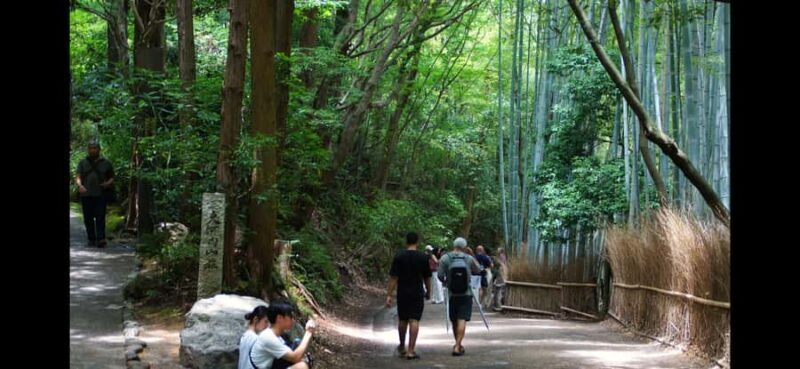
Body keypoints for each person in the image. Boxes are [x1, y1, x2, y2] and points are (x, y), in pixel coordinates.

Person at [386, 232, 431, 359]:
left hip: (403, 291)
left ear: (406, 241)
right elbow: (427, 277)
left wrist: (389, 294)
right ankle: (411, 350)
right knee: (414, 320)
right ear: (417, 242)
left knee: (403, 319)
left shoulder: (399, 256)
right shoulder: (423, 257)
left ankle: (402, 346)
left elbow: (394, 277)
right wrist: (429, 291)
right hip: (417, 292)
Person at [437, 237, 481, 356]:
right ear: (465, 247)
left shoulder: (445, 258)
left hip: (452, 294)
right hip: (466, 293)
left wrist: (447, 282)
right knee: (462, 319)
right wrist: (472, 254)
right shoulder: (468, 258)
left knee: (454, 320)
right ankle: (457, 346)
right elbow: (478, 270)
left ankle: (457, 344)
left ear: (454, 245)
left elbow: (440, 275)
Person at [250, 302, 316, 369]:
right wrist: (308, 332)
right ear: (280, 318)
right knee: (302, 366)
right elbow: (295, 357)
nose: (293, 320)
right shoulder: (268, 337)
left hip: (271, 365)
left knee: (298, 345)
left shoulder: (276, 335)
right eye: (291, 316)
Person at [75, 141, 115, 247]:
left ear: (99, 149)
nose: (93, 150)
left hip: (101, 194)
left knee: (100, 217)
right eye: (91, 148)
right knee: (88, 218)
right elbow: (78, 176)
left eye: (95, 148)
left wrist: (108, 183)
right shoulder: (83, 162)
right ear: (88, 150)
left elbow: (112, 177)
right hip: (86, 194)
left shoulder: (106, 163)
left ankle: (101, 238)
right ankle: (91, 239)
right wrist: (80, 186)